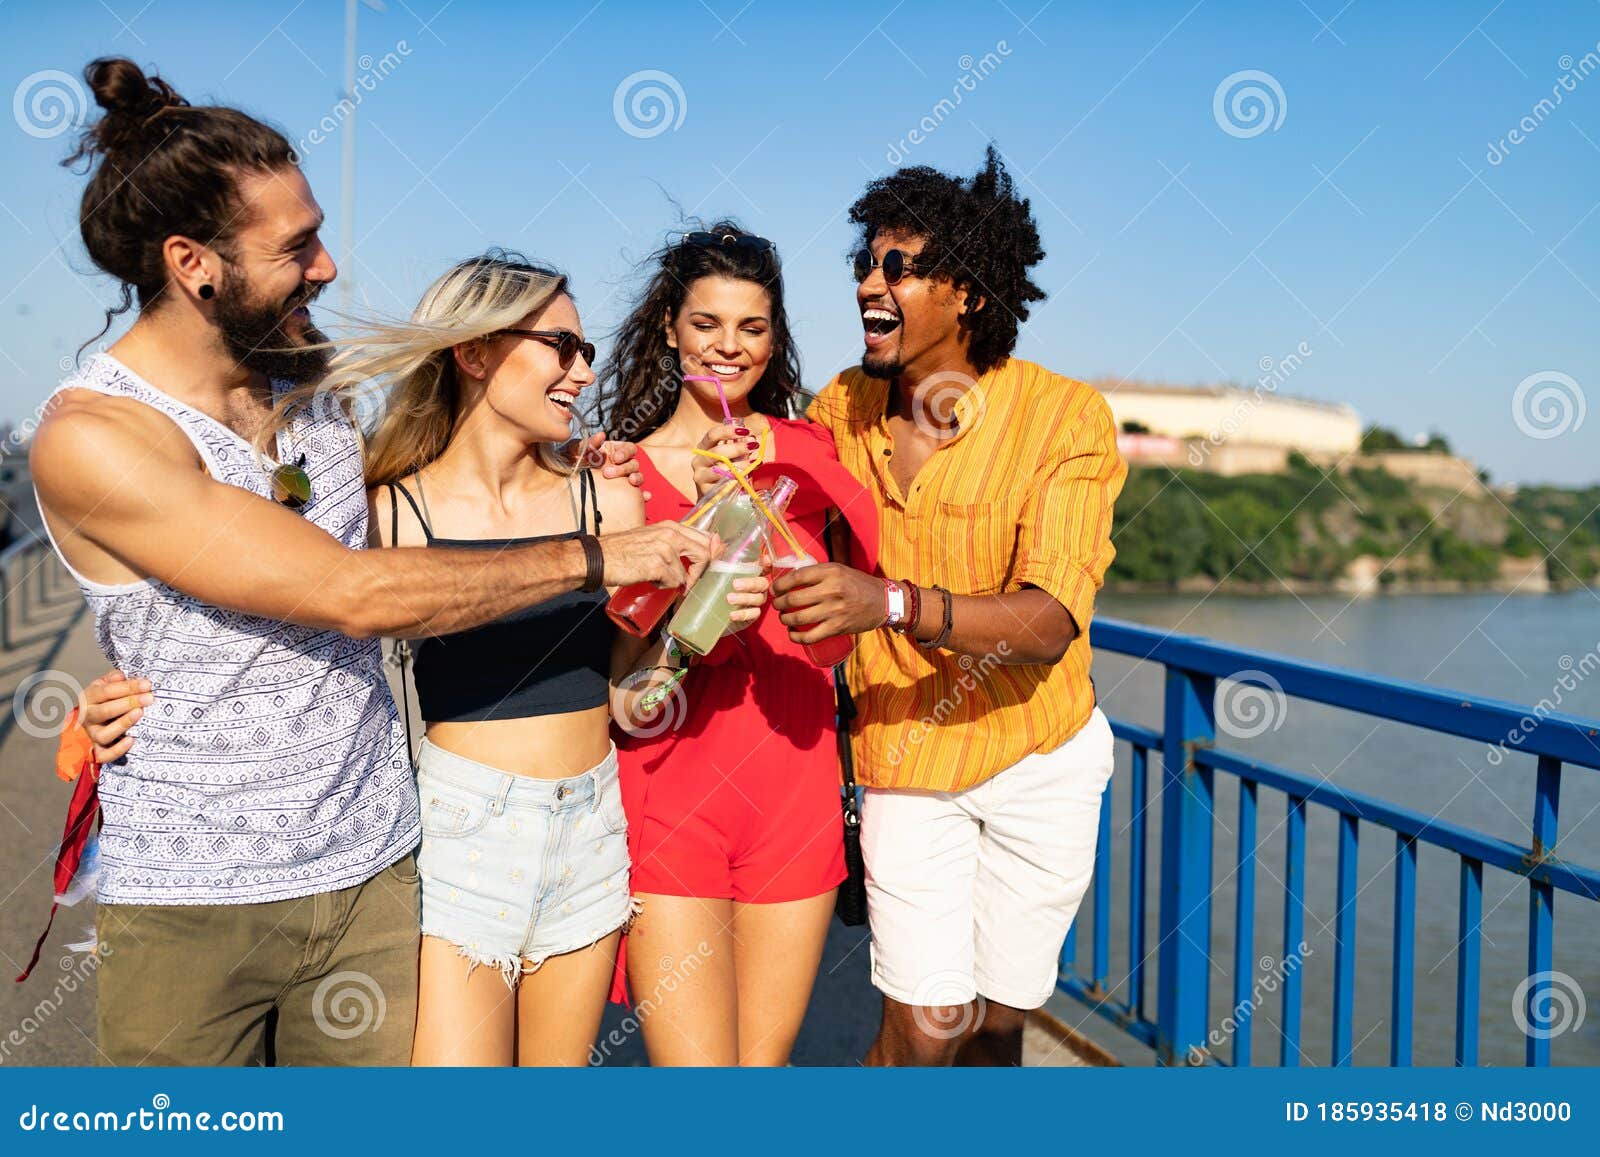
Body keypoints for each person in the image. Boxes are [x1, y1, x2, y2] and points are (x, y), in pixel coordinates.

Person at [31, 58, 711, 1067]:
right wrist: (600, 552)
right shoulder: (95, 435)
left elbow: (414, 491)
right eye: (297, 245)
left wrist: (570, 459)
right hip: (194, 901)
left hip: (376, 873)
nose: (329, 267)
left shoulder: (314, 392)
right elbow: (353, 590)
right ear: (193, 263)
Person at [354, 251, 767, 1065]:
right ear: (473, 351)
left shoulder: (607, 497)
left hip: (591, 826)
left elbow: (629, 692)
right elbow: (298, 639)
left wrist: (690, 634)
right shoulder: (392, 511)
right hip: (462, 832)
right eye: (560, 347)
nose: (582, 372)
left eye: (585, 352)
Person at [774, 148, 1127, 1066]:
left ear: (966, 290)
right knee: (923, 1023)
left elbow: (1049, 622)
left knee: (998, 1026)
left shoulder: (1064, 418)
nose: (867, 284)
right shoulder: (842, 407)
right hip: (905, 748)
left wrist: (884, 602)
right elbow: (763, 503)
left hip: (1037, 752)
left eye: (898, 266)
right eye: (864, 263)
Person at [593, 224, 878, 1066]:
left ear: (775, 339)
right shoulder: (623, 473)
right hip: (670, 796)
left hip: (795, 792)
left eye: (752, 328)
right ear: (671, 329)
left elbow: (872, 551)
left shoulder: (809, 457)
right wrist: (694, 591)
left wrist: (774, 452)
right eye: (707, 323)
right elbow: (622, 676)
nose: (729, 346)